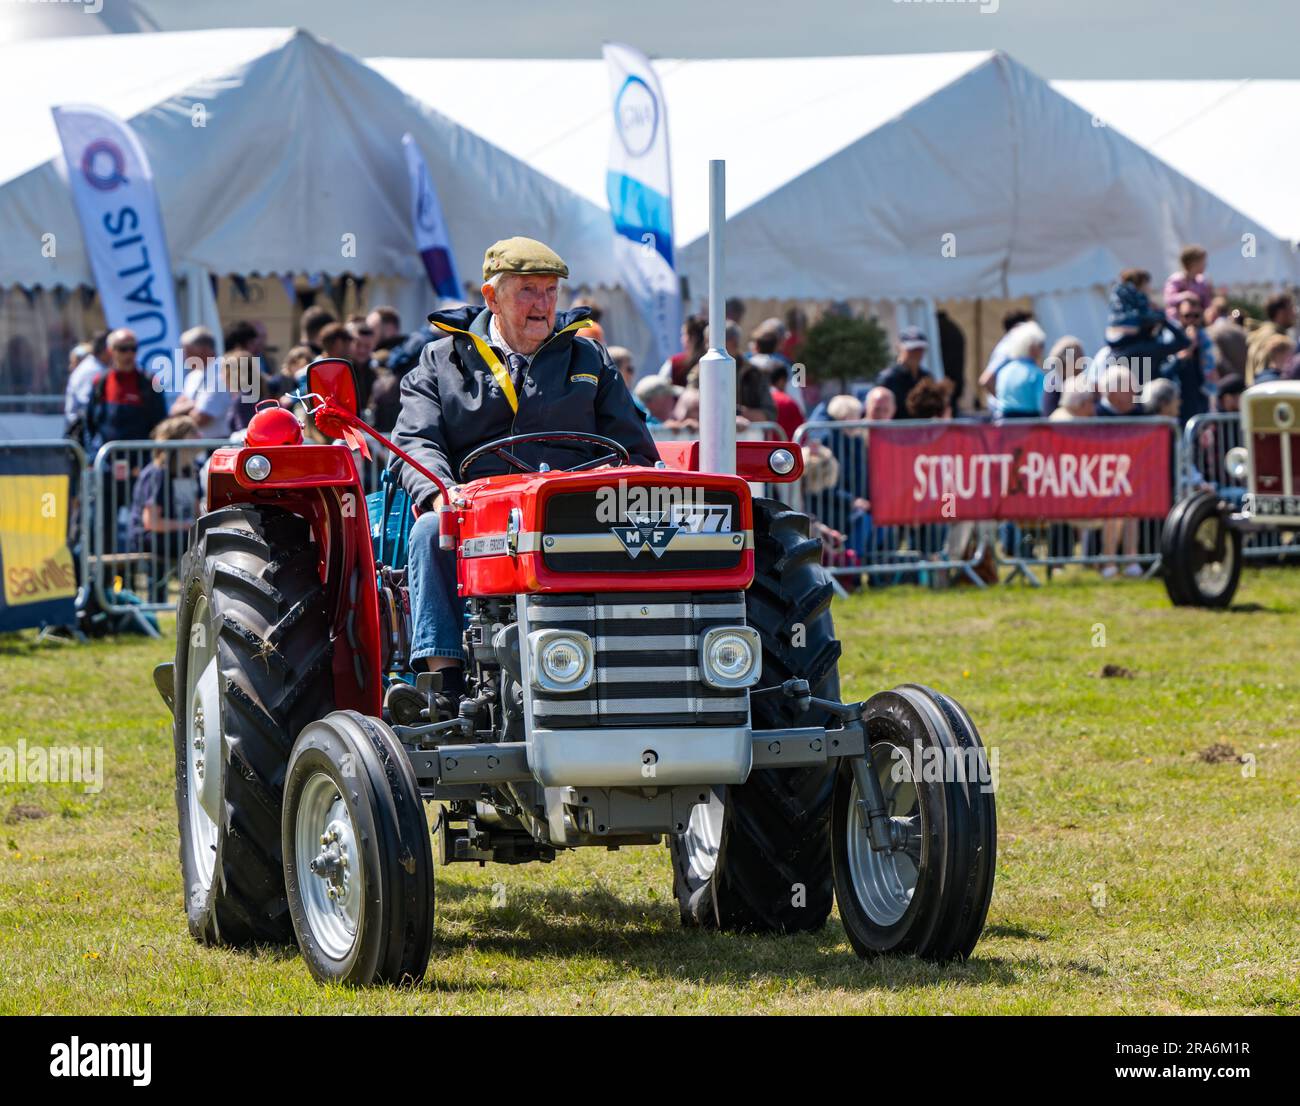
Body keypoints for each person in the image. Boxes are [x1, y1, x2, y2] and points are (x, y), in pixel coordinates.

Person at [389, 237, 658, 721]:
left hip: (578, 505)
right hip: (478, 509)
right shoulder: (440, 360)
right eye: (528, 291)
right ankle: (443, 688)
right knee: (433, 531)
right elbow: (415, 440)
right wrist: (440, 494)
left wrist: (615, 479)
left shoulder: (589, 359)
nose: (544, 304)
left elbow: (634, 448)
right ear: (491, 298)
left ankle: (646, 665)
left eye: (551, 291)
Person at [129, 414, 201, 601]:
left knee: (205, 538)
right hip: (151, 536)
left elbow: (196, 512)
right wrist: (187, 526)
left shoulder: (191, 471)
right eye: (192, 432)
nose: (199, 437)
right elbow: (151, 522)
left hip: (176, 531)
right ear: (178, 439)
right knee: (195, 540)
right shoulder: (158, 473)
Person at [1158, 293, 1215, 424]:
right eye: (1187, 316)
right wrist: (1184, 352)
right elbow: (1163, 373)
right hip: (1176, 404)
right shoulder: (1169, 340)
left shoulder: (1205, 340)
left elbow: (1211, 374)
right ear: (1179, 316)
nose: (1192, 320)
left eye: (1196, 316)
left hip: (1200, 403)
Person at [170, 327, 232, 434]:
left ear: (205, 350)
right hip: (197, 446)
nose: (185, 357)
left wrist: (186, 407)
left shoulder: (222, 373)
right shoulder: (192, 376)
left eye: (188, 352)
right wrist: (193, 404)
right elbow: (173, 411)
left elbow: (201, 418)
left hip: (217, 445)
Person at [992, 321, 1047, 418]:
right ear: (1032, 346)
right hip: (1029, 425)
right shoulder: (1036, 374)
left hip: (1003, 424)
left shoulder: (1004, 371)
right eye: (1041, 345)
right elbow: (1042, 407)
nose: (1043, 350)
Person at [979, 309, 1034, 400]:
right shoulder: (1007, 348)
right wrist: (1006, 401)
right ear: (1017, 328)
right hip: (1007, 412)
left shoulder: (1012, 347)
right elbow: (986, 380)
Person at [876, 327, 930, 417]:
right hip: (894, 429)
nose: (916, 353)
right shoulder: (888, 378)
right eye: (911, 349)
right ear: (899, 348)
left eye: (919, 349)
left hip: (922, 429)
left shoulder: (926, 377)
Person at [64, 330, 110, 432]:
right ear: (107, 350)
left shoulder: (95, 367)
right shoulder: (93, 371)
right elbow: (88, 406)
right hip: (85, 434)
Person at [1245, 293, 1295, 384]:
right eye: (1291, 309)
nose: (1294, 313)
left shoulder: (1265, 333)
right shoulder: (1271, 337)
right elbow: (1262, 372)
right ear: (1281, 313)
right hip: (1266, 394)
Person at [1163, 245, 1213, 323]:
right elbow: (1169, 299)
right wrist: (1186, 295)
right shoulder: (1176, 280)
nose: (1205, 265)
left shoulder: (1202, 281)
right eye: (1202, 261)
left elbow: (1207, 304)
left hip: (1197, 322)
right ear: (1193, 263)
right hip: (1176, 322)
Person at [1040, 335, 1086, 417]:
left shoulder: (1081, 383)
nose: (1082, 364)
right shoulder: (1054, 385)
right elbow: (1049, 416)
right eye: (1079, 359)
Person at [1206, 296, 1248, 379]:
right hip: (1244, 383)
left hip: (1226, 385)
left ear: (1214, 312)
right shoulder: (1242, 330)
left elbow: (1218, 360)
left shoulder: (1211, 332)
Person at [662, 314, 706, 386]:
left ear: (693, 338)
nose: (682, 339)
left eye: (683, 334)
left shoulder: (674, 364)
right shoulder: (715, 364)